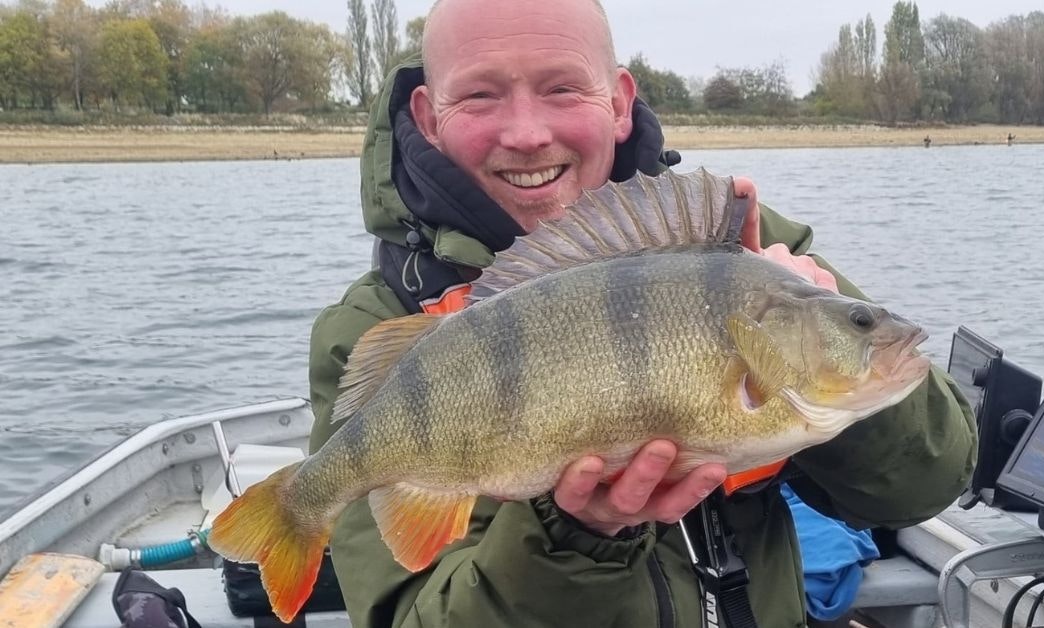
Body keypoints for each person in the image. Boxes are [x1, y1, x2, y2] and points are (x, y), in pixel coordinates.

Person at [307, 0, 977, 626]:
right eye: (481, 95)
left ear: (620, 103)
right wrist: (575, 534)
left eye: (562, 88)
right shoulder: (378, 321)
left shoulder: (744, 251)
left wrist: (850, 400)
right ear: (428, 117)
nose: (528, 133)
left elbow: (925, 484)